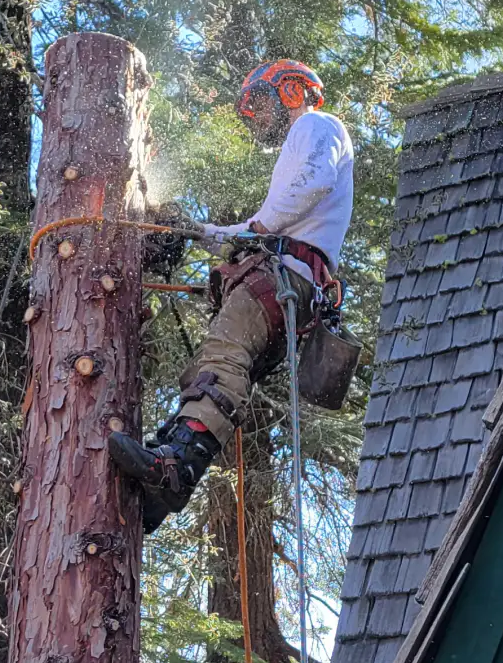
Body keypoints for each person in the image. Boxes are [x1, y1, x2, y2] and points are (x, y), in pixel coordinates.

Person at [108, 59, 355, 533]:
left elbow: (312, 183)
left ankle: (176, 468)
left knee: (222, 356)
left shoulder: (317, 126)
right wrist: (197, 231)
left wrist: (259, 228)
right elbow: (254, 229)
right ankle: (166, 476)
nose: (256, 118)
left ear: (290, 91)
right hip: (288, 279)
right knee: (221, 365)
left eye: (260, 104)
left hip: (284, 276)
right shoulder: (296, 156)